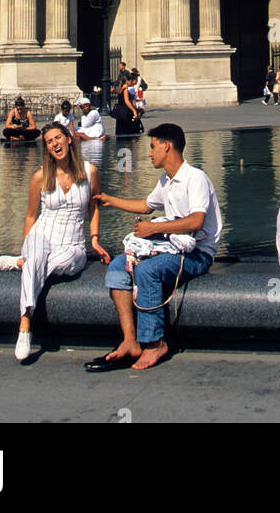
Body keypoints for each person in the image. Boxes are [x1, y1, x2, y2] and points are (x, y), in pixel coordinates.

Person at [85, 122, 222, 372]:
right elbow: (146, 206)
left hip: (198, 254)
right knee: (118, 264)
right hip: (173, 247)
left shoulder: (196, 178)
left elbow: (196, 220)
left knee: (148, 270)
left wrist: (154, 229)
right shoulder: (166, 181)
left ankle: (155, 342)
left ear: (166, 146)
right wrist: (109, 200)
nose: (149, 153)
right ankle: (130, 340)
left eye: (152, 147)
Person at [0, 123, 111, 361]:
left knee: (59, 263)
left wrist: (95, 240)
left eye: (58, 138)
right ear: (46, 148)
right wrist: (27, 247)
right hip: (43, 234)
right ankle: (25, 325)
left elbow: (94, 207)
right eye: (49, 141)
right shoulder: (40, 176)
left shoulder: (90, 172)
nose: (55, 144)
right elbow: (31, 216)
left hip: (72, 245)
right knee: (37, 255)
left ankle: (21, 264)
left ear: (69, 139)